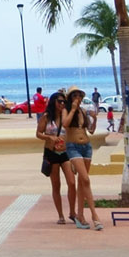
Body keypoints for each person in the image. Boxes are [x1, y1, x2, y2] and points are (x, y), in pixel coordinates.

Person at [63, 87, 103, 229]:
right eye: (75, 95)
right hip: (73, 147)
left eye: (79, 95)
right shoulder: (67, 111)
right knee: (85, 179)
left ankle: (80, 215)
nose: (77, 98)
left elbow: (90, 130)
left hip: (86, 146)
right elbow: (65, 124)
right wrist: (73, 109)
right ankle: (94, 215)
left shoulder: (83, 112)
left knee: (82, 182)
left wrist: (95, 118)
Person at [37, 90, 72, 223]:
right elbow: (38, 133)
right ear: (53, 102)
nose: (62, 104)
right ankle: (60, 215)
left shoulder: (66, 117)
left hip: (65, 152)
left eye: (64, 102)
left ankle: (72, 212)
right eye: (59, 101)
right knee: (56, 185)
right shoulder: (46, 117)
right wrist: (50, 137)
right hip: (51, 153)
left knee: (71, 182)